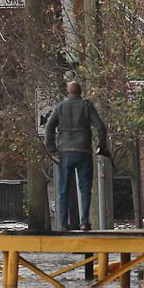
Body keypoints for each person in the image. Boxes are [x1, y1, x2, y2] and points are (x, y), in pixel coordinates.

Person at [45, 80, 109, 231]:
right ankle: (85, 222)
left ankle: (63, 224)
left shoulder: (60, 107)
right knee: (85, 188)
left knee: (63, 189)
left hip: (65, 152)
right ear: (80, 92)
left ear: (68, 92)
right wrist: (101, 145)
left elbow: (49, 127)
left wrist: (52, 149)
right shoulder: (87, 106)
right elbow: (100, 126)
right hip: (84, 151)